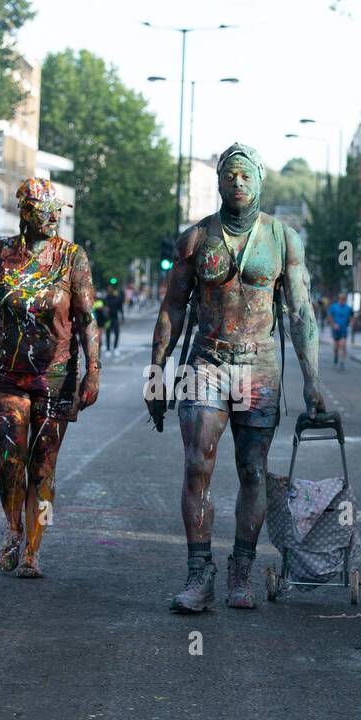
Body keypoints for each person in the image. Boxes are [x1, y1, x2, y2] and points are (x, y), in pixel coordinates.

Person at [147, 142, 323, 613]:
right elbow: (172, 307)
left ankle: (241, 568)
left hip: (260, 366)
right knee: (197, 464)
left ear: (260, 181)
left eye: (246, 175)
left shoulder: (283, 238)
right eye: (230, 175)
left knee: (252, 470)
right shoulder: (195, 239)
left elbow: (301, 312)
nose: (238, 183)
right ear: (219, 181)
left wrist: (312, 379)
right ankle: (198, 573)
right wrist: (156, 370)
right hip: (204, 361)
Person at [0, 177, 100, 578]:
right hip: (6, 371)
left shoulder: (71, 257)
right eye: (43, 211)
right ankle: (14, 529)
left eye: (56, 211)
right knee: (9, 460)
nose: (52, 218)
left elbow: (87, 320)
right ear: (24, 212)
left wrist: (93, 371)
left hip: (56, 375)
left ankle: (34, 548)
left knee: (43, 468)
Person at [326, 294, 352, 368]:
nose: (342, 300)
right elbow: (329, 316)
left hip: (344, 329)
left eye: (344, 299)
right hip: (336, 329)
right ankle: (336, 354)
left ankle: (342, 361)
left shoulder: (348, 308)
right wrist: (333, 324)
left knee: (343, 344)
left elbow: (352, 317)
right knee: (336, 345)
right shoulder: (334, 307)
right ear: (339, 299)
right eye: (341, 299)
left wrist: (350, 325)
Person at [105, 283, 125, 356]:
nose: (109, 290)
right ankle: (108, 349)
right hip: (108, 319)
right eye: (108, 289)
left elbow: (121, 308)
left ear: (113, 290)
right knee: (108, 333)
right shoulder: (105, 298)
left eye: (110, 289)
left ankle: (115, 348)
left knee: (117, 333)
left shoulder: (117, 298)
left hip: (115, 318)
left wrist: (122, 317)